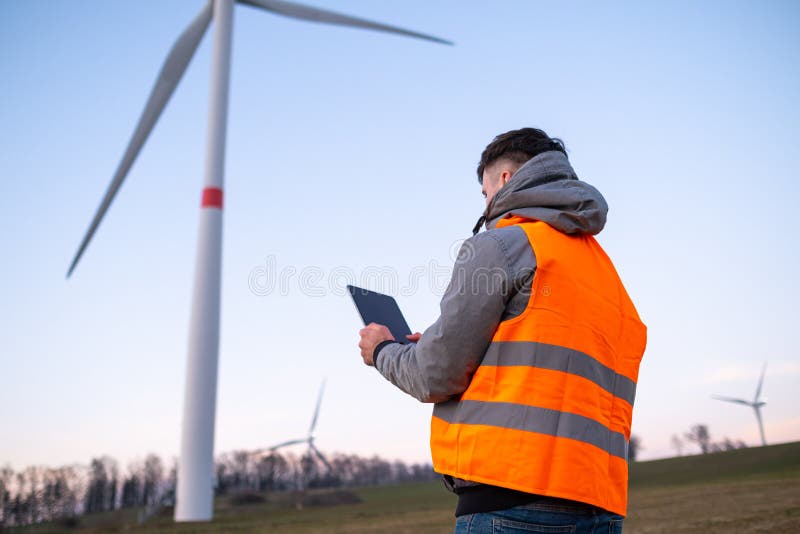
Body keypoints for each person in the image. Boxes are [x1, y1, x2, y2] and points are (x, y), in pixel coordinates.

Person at [358, 127, 646, 533]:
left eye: (484, 191)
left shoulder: (500, 245)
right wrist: (445, 345)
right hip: (599, 503)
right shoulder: (603, 273)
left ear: (505, 179)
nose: (486, 202)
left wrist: (383, 350)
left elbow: (433, 375)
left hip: (510, 502)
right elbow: (545, 365)